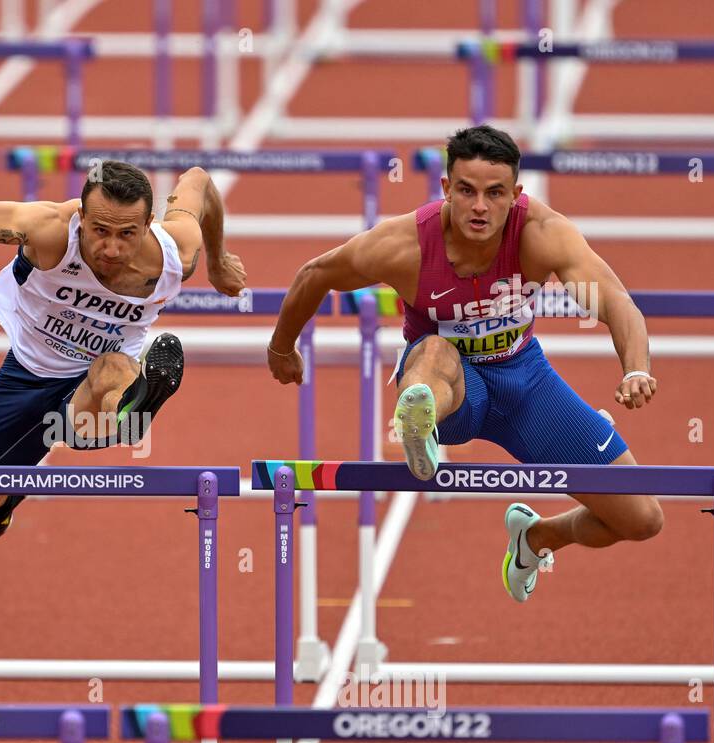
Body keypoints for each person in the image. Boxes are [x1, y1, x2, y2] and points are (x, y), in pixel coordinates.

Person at [266, 125, 661, 603]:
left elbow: (615, 300)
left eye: (495, 194)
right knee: (435, 350)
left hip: (527, 383)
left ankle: (534, 539)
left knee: (641, 518)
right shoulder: (404, 244)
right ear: (445, 188)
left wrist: (636, 368)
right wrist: (282, 348)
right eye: (467, 191)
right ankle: (420, 426)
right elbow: (317, 273)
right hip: (453, 387)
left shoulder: (542, 233)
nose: (479, 207)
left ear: (515, 194)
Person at [0, 160, 247, 564]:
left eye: (127, 234)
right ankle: (1, 499)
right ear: (81, 218)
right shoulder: (52, 230)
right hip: (24, 378)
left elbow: (198, 180)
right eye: (100, 231)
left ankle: (130, 411)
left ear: (148, 226)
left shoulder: (173, 254)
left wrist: (217, 261)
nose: (112, 248)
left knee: (114, 368)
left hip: (91, 392)